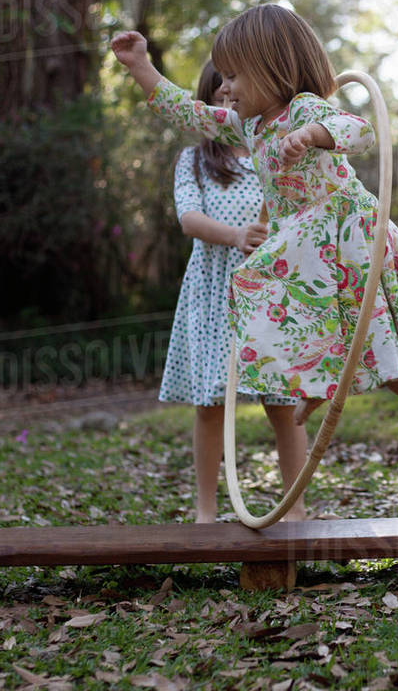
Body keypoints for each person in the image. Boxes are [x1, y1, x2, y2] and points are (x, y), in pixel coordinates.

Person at [111, 4, 398, 532]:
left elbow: (357, 129)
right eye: (222, 76)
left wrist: (314, 136)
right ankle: (319, 378)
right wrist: (140, 68)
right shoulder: (250, 127)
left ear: (273, 69)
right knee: (260, 296)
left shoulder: (303, 110)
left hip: (349, 245)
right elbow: (190, 114)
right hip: (306, 255)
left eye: (235, 74)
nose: (224, 87)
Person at [159, 60, 307, 524]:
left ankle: (296, 510)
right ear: (206, 104)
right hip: (214, 291)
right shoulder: (195, 160)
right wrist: (237, 235)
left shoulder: (273, 151)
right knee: (210, 403)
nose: (229, 101)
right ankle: (206, 512)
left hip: (270, 292)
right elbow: (189, 219)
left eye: (235, 93)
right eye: (218, 96)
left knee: (282, 402)